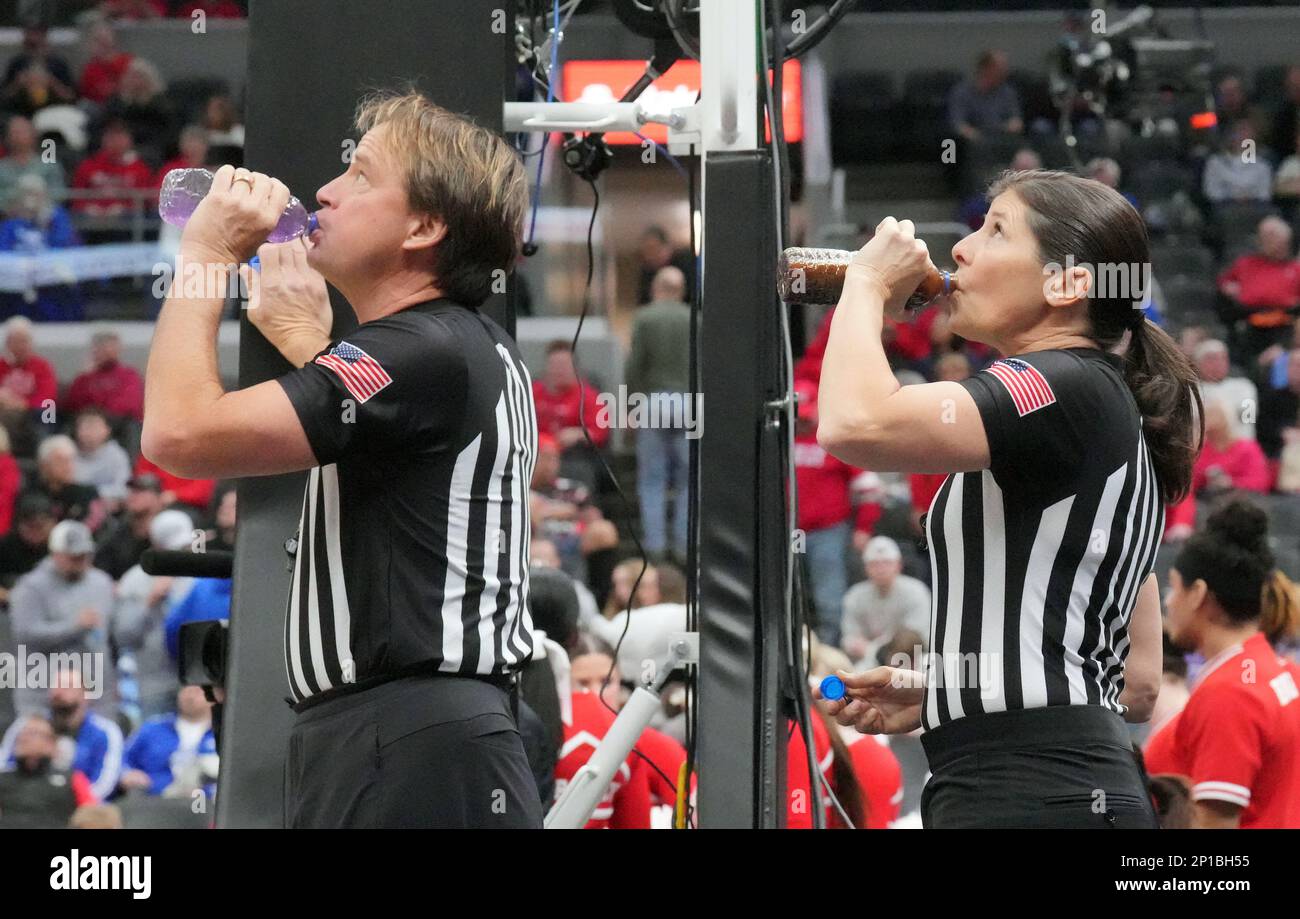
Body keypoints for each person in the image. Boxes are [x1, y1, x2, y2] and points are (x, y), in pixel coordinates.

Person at [141, 89, 542, 828]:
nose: (324, 189)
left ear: (423, 225)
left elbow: (177, 435)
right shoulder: (453, 345)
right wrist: (310, 346)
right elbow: (385, 433)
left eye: (360, 175)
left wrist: (203, 256)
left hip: (410, 739)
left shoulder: (421, 350)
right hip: (417, 737)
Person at [814, 168, 1203, 828]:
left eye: (995, 231)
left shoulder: (1066, 384)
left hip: (1031, 789)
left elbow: (854, 423)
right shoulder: (1100, 404)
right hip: (1046, 779)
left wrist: (865, 283)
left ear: (1068, 281)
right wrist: (949, 692)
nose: (961, 249)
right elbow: (1132, 685)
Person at [1142, 500, 1300, 828]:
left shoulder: (1230, 692)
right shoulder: (1283, 671)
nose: (1169, 602)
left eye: (1174, 587)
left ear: (1199, 593)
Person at [8, 521, 117, 718]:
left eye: (85, 556)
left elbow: (110, 635)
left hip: (96, 691)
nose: (81, 562)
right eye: (74, 557)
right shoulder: (31, 587)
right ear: (55, 554)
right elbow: (24, 633)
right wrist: (74, 626)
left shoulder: (101, 583)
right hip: (43, 693)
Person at [625, 266, 692, 562]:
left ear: (656, 288)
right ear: (681, 290)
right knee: (688, 480)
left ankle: (654, 545)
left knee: (652, 478)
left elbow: (635, 364)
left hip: (653, 401)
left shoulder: (645, 317)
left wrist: (630, 406)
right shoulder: (694, 317)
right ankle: (683, 544)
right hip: (690, 402)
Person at [840, 536, 931, 668]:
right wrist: (874, 651)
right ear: (866, 568)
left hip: (910, 659)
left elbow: (916, 637)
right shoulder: (854, 595)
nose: (881, 569)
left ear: (899, 565)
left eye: (887, 563)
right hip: (869, 661)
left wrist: (873, 647)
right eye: (874, 564)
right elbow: (849, 638)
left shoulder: (917, 591)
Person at [118, 685, 218, 799]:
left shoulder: (225, 732)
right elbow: (121, 759)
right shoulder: (152, 728)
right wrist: (127, 774)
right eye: (186, 690)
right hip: (156, 802)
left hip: (208, 804)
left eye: (197, 691)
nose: (190, 696)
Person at [0, 715, 96, 828]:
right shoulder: (3, 779)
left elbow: (93, 816)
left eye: (33, 733)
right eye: (22, 733)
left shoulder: (73, 779)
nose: (24, 738)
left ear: (52, 745)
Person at [63, 328, 146, 425]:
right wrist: (87, 377)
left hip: (119, 425)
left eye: (108, 348)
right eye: (99, 348)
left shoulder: (129, 375)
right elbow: (73, 405)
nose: (104, 352)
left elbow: (129, 405)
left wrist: (100, 414)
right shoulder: (84, 378)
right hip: (87, 424)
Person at [0, 115, 67, 206]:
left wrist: (41, 199)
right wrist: (15, 198)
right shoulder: (2, 168)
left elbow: (60, 194)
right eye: (14, 132)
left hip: (44, 215)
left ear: (34, 135)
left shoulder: (49, 165)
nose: (18, 137)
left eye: (23, 132)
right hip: (8, 216)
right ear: (7, 138)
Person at [72, 407, 132, 502]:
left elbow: (124, 489)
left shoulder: (117, 455)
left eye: (94, 426)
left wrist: (94, 493)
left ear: (107, 430)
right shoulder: (68, 452)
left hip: (108, 507)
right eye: (85, 426)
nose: (90, 432)